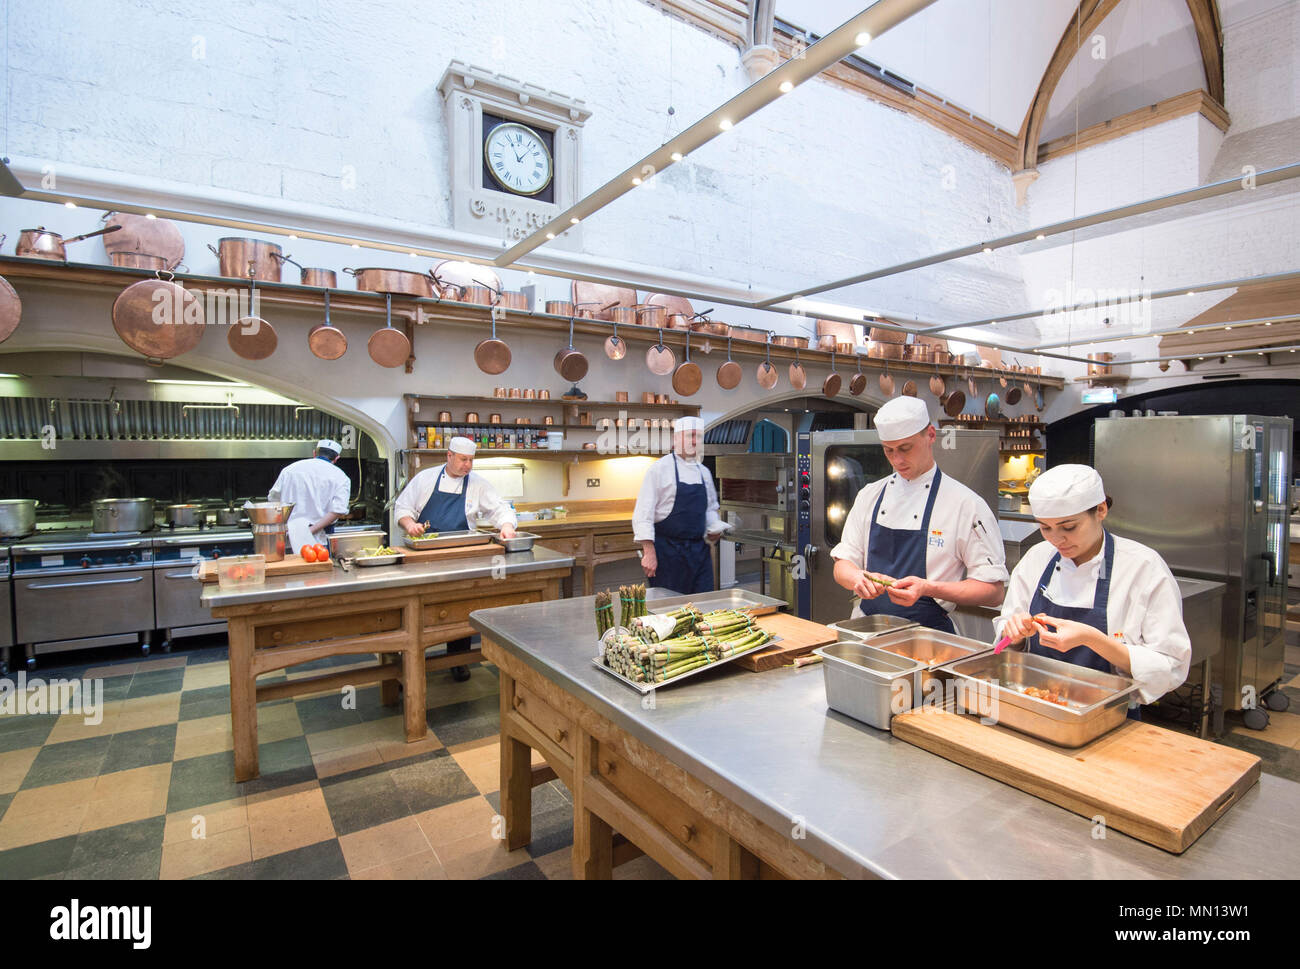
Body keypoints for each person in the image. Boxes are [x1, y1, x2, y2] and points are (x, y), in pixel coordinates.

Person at [995, 464, 1190, 716]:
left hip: (1111, 715)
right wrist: (1015, 634)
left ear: (1100, 510)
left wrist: (1093, 639)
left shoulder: (1143, 567)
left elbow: (1171, 665)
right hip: (1034, 704)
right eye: (1045, 528)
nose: (1056, 540)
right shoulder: (1037, 558)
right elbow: (1002, 645)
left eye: (1068, 527)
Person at [830, 397, 1006, 632]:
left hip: (929, 637)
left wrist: (927, 588)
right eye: (888, 451)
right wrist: (857, 579)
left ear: (931, 435)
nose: (897, 460)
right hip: (866, 629)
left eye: (905, 448)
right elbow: (842, 565)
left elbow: (993, 592)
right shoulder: (869, 496)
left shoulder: (966, 505)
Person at [393, 435, 517, 682]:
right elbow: (402, 508)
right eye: (463, 460)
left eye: (471, 460)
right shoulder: (425, 479)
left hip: (463, 555)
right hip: (425, 555)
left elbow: (500, 509)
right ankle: (411, 662)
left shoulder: (478, 484)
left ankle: (458, 660)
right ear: (449, 456)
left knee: (460, 606)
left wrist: (506, 526)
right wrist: (410, 525)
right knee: (422, 607)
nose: (467, 465)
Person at [633, 416, 731, 594]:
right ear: (676, 438)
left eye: (699, 437)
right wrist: (649, 552)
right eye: (690, 435)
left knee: (704, 604)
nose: (695, 441)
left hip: (699, 553)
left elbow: (709, 509)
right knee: (669, 609)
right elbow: (642, 515)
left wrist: (714, 528)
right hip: (668, 554)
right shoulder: (659, 469)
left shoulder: (704, 472)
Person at [268, 438, 351, 542]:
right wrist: (310, 531)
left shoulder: (289, 470)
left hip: (289, 534)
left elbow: (273, 499)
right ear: (337, 458)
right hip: (320, 537)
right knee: (320, 558)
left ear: (314, 453)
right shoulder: (341, 477)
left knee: (290, 558)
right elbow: (338, 510)